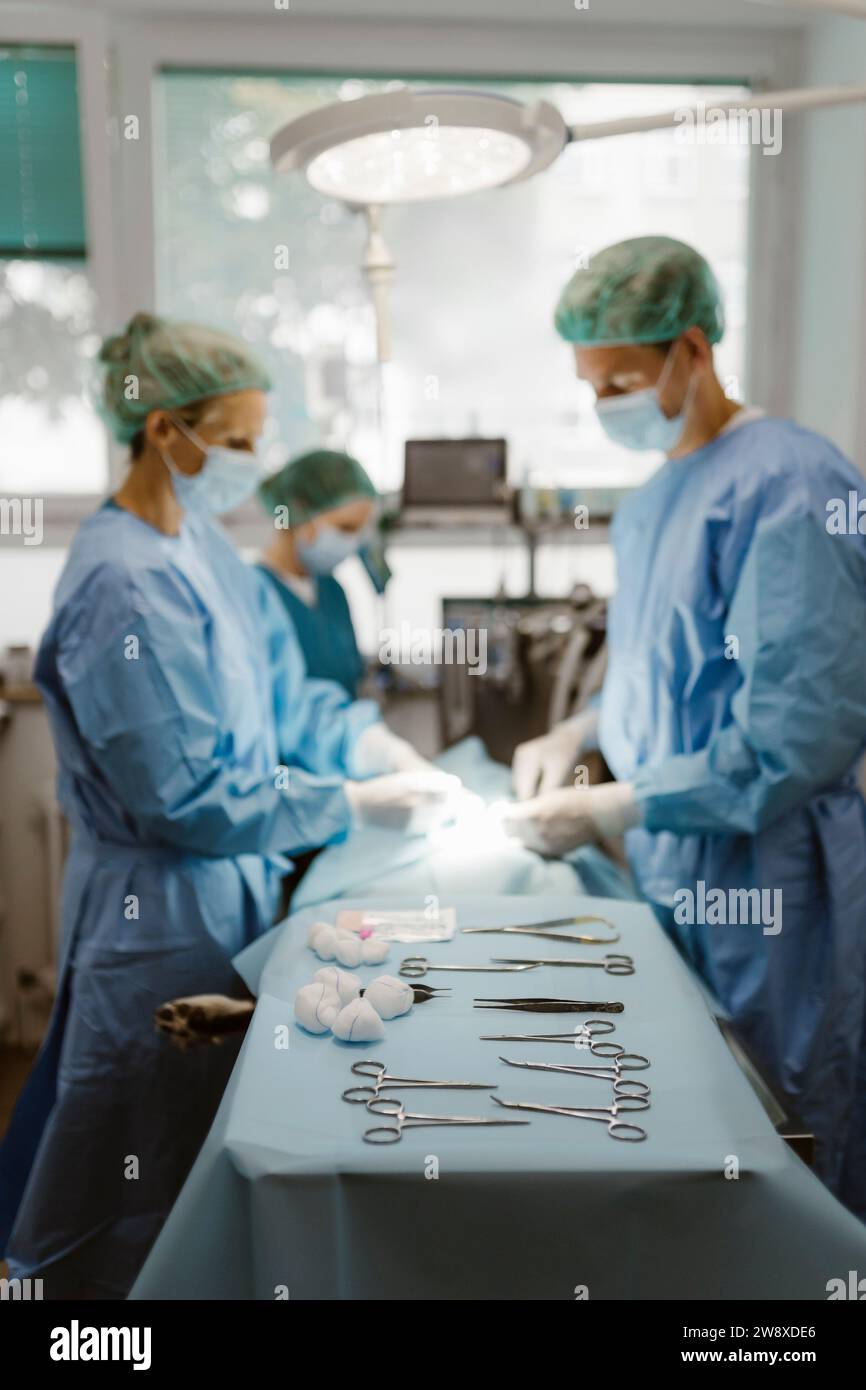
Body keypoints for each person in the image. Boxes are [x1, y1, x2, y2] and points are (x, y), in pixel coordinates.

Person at [0, 313, 454, 1298]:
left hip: (224, 893)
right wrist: (347, 803)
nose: (252, 462)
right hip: (154, 917)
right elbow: (181, 798)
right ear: (163, 429)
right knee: (133, 1170)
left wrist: (363, 743)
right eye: (236, 440)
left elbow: (282, 697)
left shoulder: (200, 547)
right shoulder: (122, 584)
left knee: (205, 1149)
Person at [505, 236, 866, 1219]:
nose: (603, 404)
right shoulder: (654, 500)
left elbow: (794, 734)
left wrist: (618, 804)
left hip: (772, 876)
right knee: (682, 1123)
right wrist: (580, 733)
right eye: (589, 386)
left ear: (693, 349)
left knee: (782, 1136)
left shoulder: (792, 485)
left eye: (620, 381)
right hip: (674, 857)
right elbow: (668, 666)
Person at [257, 449, 376, 698]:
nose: (353, 543)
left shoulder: (332, 590)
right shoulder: (253, 596)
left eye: (359, 531)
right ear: (299, 510)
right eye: (345, 528)